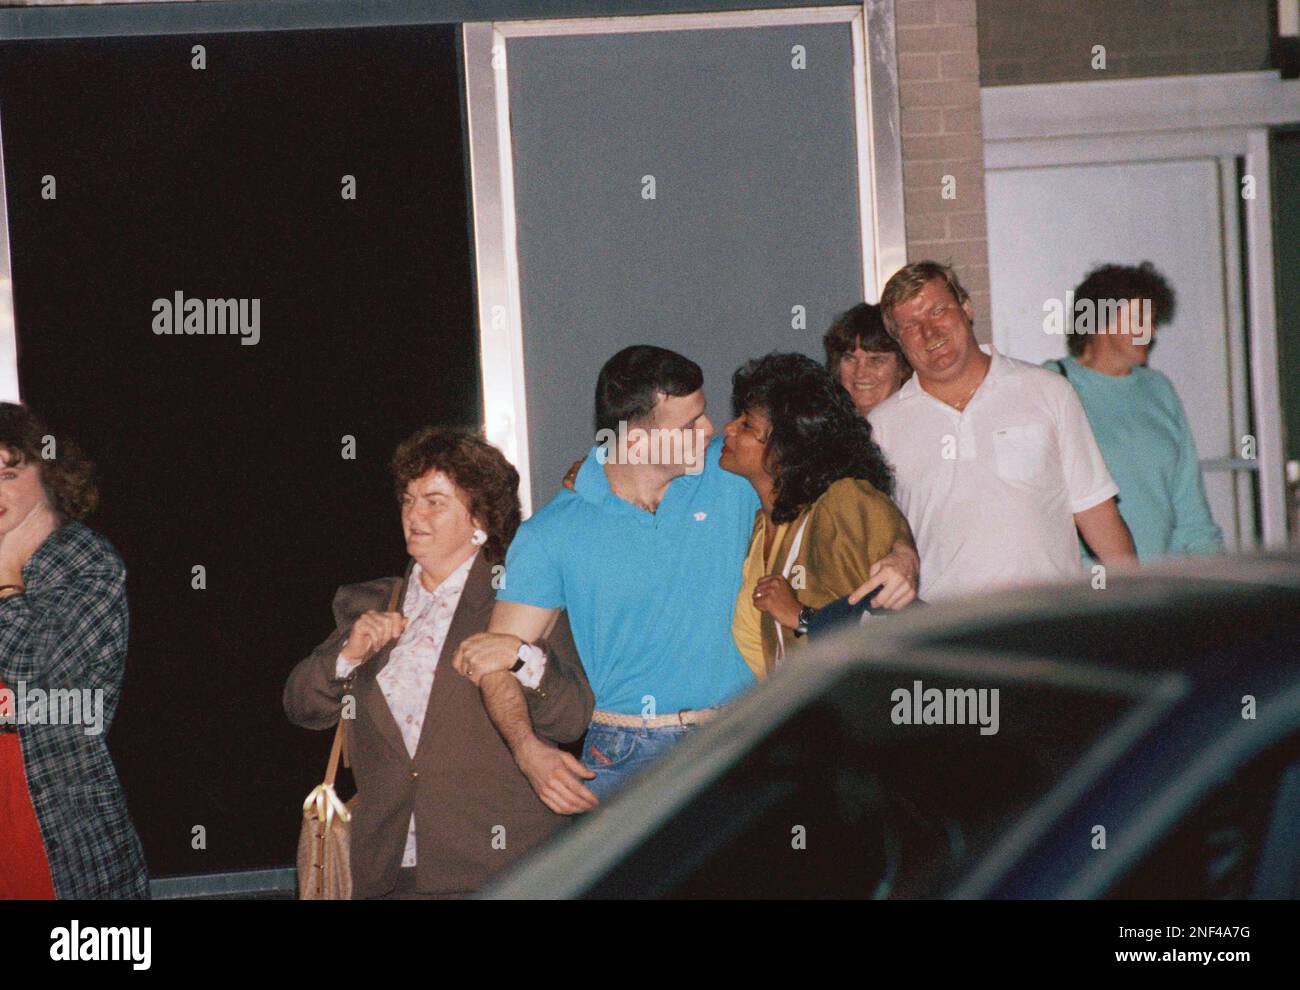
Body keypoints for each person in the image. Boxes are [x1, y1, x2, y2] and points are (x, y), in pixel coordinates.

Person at [453, 345, 920, 808]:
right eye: (690, 425)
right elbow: (495, 661)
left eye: (705, 414)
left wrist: (900, 553)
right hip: (626, 758)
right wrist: (529, 752)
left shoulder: (731, 469)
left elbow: (848, 489)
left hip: (746, 738)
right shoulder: (551, 532)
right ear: (636, 442)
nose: (712, 430)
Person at [283, 426, 593, 899]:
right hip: (388, 867)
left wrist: (521, 658)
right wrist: (347, 655)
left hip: (500, 864)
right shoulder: (371, 601)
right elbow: (301, 707)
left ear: (480, 517)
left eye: (434, 501)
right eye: (408, 500)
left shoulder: (522, 596)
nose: (414, 514)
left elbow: (572, 717)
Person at [868, 261, 1137, 602]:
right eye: (911, 325)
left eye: (939, 311)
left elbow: (1096, 512)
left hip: (1046, 625)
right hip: (944, 638)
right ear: (898, 340)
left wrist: (1138, 611)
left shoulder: (1048, 391)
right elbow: (879, 537)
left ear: (966, 308)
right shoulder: (882, 427)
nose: (930, 332)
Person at [0, 403, 148, 899]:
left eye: (8, 471)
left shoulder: (85, 558)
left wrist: (4, 578)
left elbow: (32, 665)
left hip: (51, 813)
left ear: (47, 471)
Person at [720, 352, 911, 678]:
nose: (729, 429)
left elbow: (894, 613)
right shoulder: (764, 525)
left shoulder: (844, 500)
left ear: (787, 445)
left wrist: (804, 617)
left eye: (747, 425)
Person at [1046, 261, 1223, 560]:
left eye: (1153, 321)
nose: (1151, 332)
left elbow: (1190, 506)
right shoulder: (1053, 383)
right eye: (1140, 319)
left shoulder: (1159, 389)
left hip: (1162, 588)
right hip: (1089, 592)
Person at [823, 302, 911, 417]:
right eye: (850, 359)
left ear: (903, 367)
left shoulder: (924, 428)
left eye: (876, 360)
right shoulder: (821, 429)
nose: (860, 373)